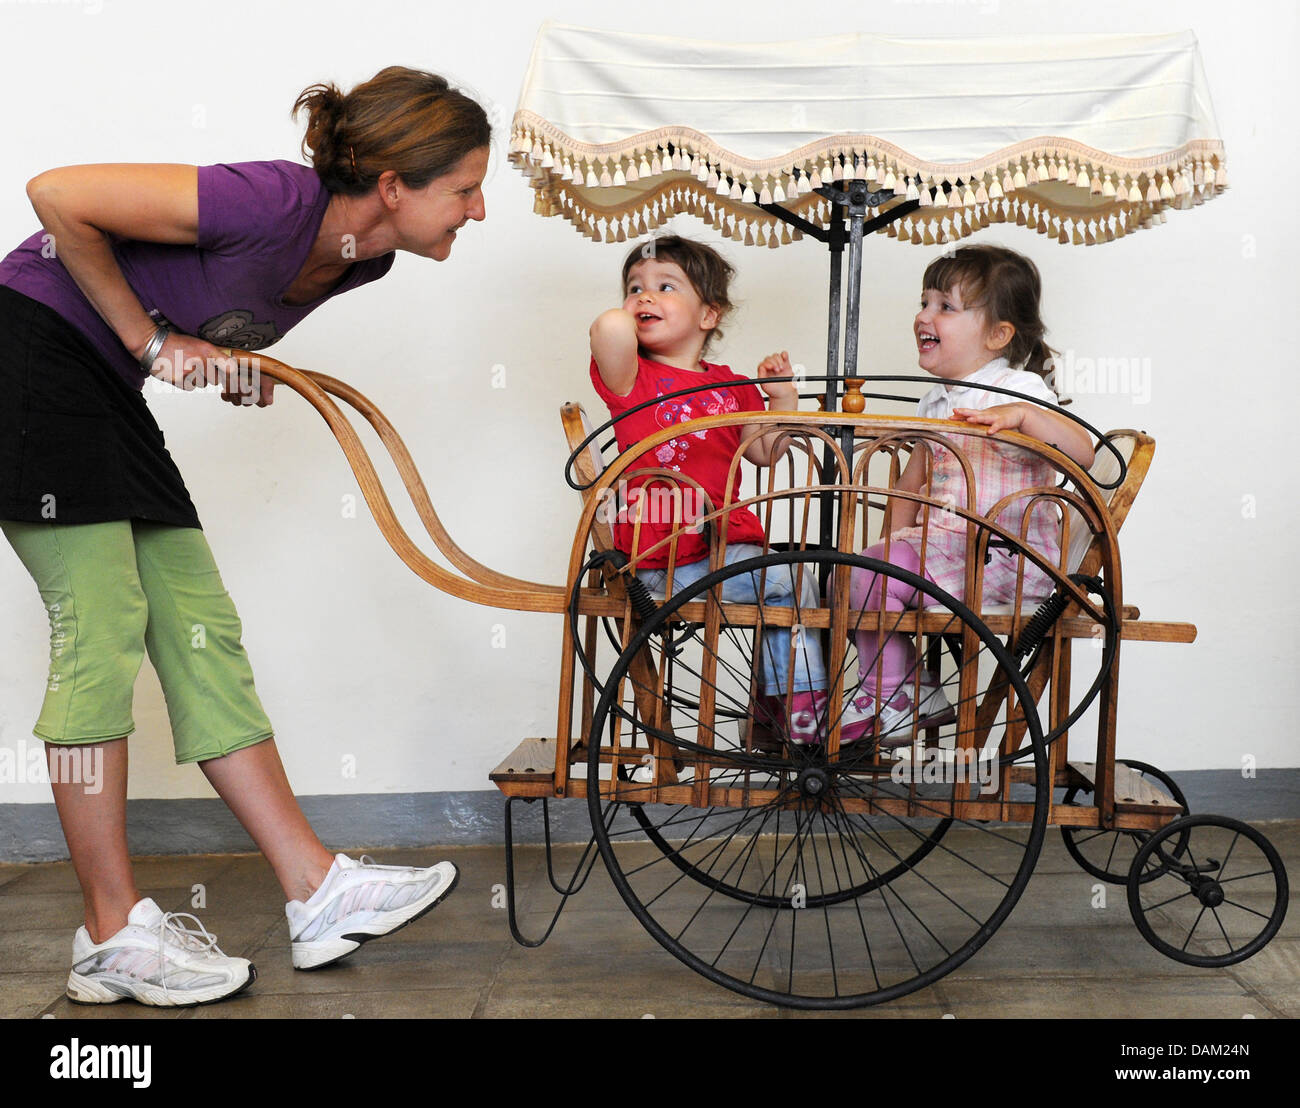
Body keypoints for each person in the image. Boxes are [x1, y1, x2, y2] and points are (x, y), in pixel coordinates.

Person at [0, 66, 489, 1006]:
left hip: (105, 392)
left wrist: (219, 359)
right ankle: (109, 934)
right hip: (26, 357)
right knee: (97, 631)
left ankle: (317, 889)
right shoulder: (271, 199)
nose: (476, 212)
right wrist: (153, 344)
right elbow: (56, 196)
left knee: (198, 628)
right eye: (465, 189)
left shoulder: (363, 258)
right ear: (397, 185)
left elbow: (197, 307)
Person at [843, 244, 1095, 745]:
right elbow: (912, 481)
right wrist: (888, 550)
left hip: (1005, 557)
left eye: (945, 306)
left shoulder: (1016, 387)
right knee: (855, 577)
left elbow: (1083, 452)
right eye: (925, 302)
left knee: (868, 576)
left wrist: (1023, 418)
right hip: (950, 549)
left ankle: (896, 692)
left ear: (998, 335)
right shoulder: (936, 399)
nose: (924, 315)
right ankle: (909, 689)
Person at [588, 235, 828, 746]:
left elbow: (765, 452)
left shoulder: (732, 385)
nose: (644, 298)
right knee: (788, 580)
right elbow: (609, 328)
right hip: (658, 564)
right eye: (634, 288)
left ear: (708, 315)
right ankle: (795, 713)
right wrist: (636, 304)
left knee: (789, 579)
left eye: (665, 286)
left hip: (720, 551)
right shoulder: (633, 378)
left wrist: (782, 396)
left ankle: (778, 710)